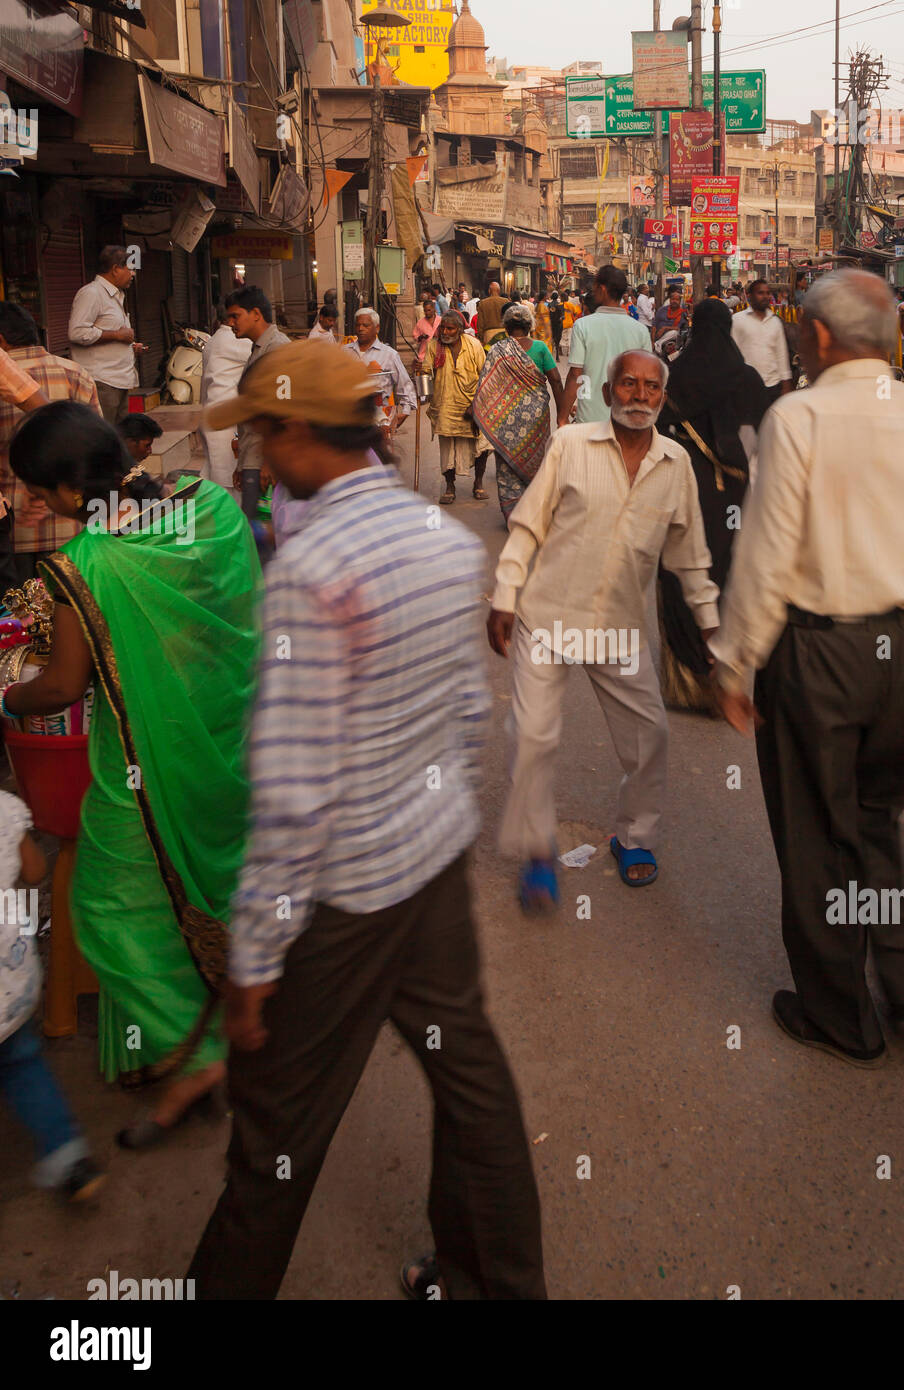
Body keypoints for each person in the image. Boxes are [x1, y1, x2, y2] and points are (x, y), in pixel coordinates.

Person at [186, 340, 546, 1301]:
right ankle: (492, 1284)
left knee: (275, 1142)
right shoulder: (442, 540)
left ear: (302, 433)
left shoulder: (312, 572)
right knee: (472, 1088)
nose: (257, 452)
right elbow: (472, 712)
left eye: (263, 431)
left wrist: (255, 960)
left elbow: (296, 792)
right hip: (428, 867)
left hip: (343, 898)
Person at [710, 270, 904, 1066]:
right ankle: (903, 975)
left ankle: (838, 1014)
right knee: (875, 814)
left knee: (814, 829)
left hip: (821, 652)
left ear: (820, 337)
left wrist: (735, 662)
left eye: (801, 329)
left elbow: (765, 553)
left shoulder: (800, 416)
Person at [4, 400, 261, 1144]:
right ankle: (220, 1030)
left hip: (143, 765)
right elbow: (239, 614)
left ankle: (202, 1053)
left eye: (35, 489)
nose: (27, 504)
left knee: (111, 910)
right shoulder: (207, 504)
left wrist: (5, 691)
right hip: (225, 743)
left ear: (70, 489)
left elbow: (60, 687)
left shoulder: (85, 566)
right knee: (210, 885)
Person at [487, 349, 719, 911]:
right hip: (549, 616)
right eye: (629, 385)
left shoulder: (676, 464)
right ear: (609, 389)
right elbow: (528, 523)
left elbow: (690, 559)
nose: (640, 396)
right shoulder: (570, 445)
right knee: (533, 737)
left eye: (651, 387)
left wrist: (712, 632)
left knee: (650, 737)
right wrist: (505, 594)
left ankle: (633, 837)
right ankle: (539, 851)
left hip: (618, 627)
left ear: (663, 396)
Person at [656, 299, 784, 712]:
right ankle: (722, 671)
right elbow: (759, 435)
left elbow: (657, 434)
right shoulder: (745, 379)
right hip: (733, 493)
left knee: (681, 570)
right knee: (725, 570)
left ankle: (687, 678)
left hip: (681, 487)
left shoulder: (675, 376)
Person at [0, 788, 105, 1201]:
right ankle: (70, 1159)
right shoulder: (4, 807)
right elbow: (32, 871)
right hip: (14, 985)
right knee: (23, 1066)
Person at [0, 303, 100, 592]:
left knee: (19, 623)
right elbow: (95, 449)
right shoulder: (76, 373)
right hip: (70, 526)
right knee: (73, 614)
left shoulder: (8, 375)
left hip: (14, 533)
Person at [472, 303, 563, 521]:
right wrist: (562, 415)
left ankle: (513, 513)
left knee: (506, 462)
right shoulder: (540, 348)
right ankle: (535, 511)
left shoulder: (498, 349)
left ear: (506, 326)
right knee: (537, 459)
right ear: (529, 325)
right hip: (536, 416)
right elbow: (556, 380)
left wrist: (477, 413)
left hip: (505, 417)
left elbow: (486, 385)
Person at [224, 285, 290, 519]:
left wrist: (270, 462)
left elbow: (284, 409)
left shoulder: (277, 349)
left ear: (256, 314)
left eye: (236, 316)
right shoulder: (258, 350)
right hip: (252, 458)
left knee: (263, 536)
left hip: (265, 462)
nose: (231, 323)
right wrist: (242, 463)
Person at [560, 265, 652, 427]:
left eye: (594, 286)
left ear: (602, 289)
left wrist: (562, 417)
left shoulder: (583, 326)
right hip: (628, 420)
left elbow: (576, 375)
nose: (592, 290)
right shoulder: (641, 330)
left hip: (590, 419)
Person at [67, 246, 146, 424]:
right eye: (130, 269)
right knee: (102, 437)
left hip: (119, 381)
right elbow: (77, 332)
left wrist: (130, 346)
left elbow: (111, 333)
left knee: (119, 439)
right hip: (102, 382)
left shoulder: (116, 296)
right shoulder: (92, 293)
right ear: (116, 269)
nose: (133, 274)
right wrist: (117, 336)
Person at [420, 310, 487, 504]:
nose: (445, 332)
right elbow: (426, 374)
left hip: (472, 404)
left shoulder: (474, 345)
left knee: (482, 446)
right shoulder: (434, 346)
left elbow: (485, 375)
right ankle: (450, 487)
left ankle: (479, 483)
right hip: (446, 404)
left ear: (459, 330)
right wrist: (420, 374)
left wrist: (476, 404)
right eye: (443, 328)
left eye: (450, 328)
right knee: (447, 449)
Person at [198, 302, 252, 495]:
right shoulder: (234, 340)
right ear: (232, 319)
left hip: (213, 417)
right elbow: (270, 352)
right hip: (225, 423)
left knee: (215, 477)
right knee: (229, 486)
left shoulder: (214, 340)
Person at [345, 308, 417, 435]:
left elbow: (405, 384)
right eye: (358, 325)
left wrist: (405, 412)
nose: (360, 329)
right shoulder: (344, 352)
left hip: (380, 416)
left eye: (365, 325)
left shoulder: (389, 355)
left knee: (379, 454)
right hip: (350, 416)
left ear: (376, 328)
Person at [730, 279, 794, 399]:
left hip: (773, 386)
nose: (765, 296)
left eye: (767, 293)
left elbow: (781, 355)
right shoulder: (738, 320)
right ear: (750, 296)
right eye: (760, 293)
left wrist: (786, 384)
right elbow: (731, 355)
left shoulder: (775, 322)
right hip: (747, 388)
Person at [476, 281, 510, 348]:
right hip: (504, 334)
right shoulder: (506, 301)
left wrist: (481, 338)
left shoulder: (483, 303)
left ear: (489, 291)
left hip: (488, 335)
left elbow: (480, 324)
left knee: (490, 356)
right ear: (499, 291)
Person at [412, 296, 441, 360]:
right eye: (425, 311)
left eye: (429, 310)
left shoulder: (441, 321)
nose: (427, 313)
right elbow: (416, 337)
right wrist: (421, 337)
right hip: (424, 356)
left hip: (439, 354)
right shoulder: (420, 322)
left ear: (433, 309)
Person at [548, 293, 565, 361]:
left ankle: (551, 355)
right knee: (558, 339)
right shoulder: (560, 304)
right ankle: (557, 356)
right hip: (559, 324)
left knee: (551, 339)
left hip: (551, 324)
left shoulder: (549, 305)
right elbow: (563, 316)